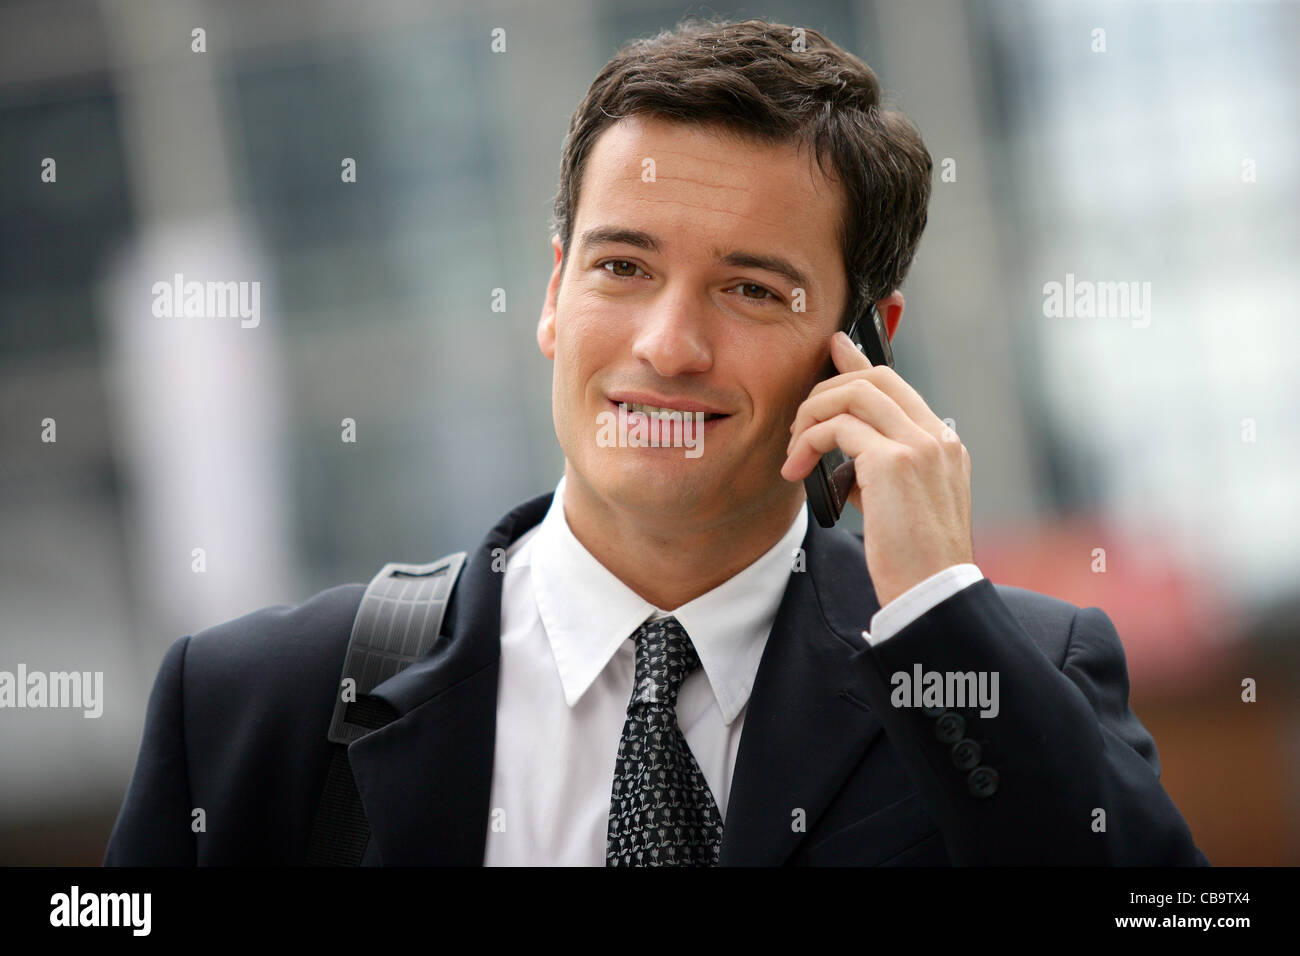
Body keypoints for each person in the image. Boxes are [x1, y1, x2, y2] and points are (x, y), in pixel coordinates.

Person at [104, 17, 1208, 866]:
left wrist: (934, 609)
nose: (668, 344)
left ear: (866, 343)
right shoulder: (256, 702)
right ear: (552, 290)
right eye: (621, 267)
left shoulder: (999, 669)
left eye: (748, 286)